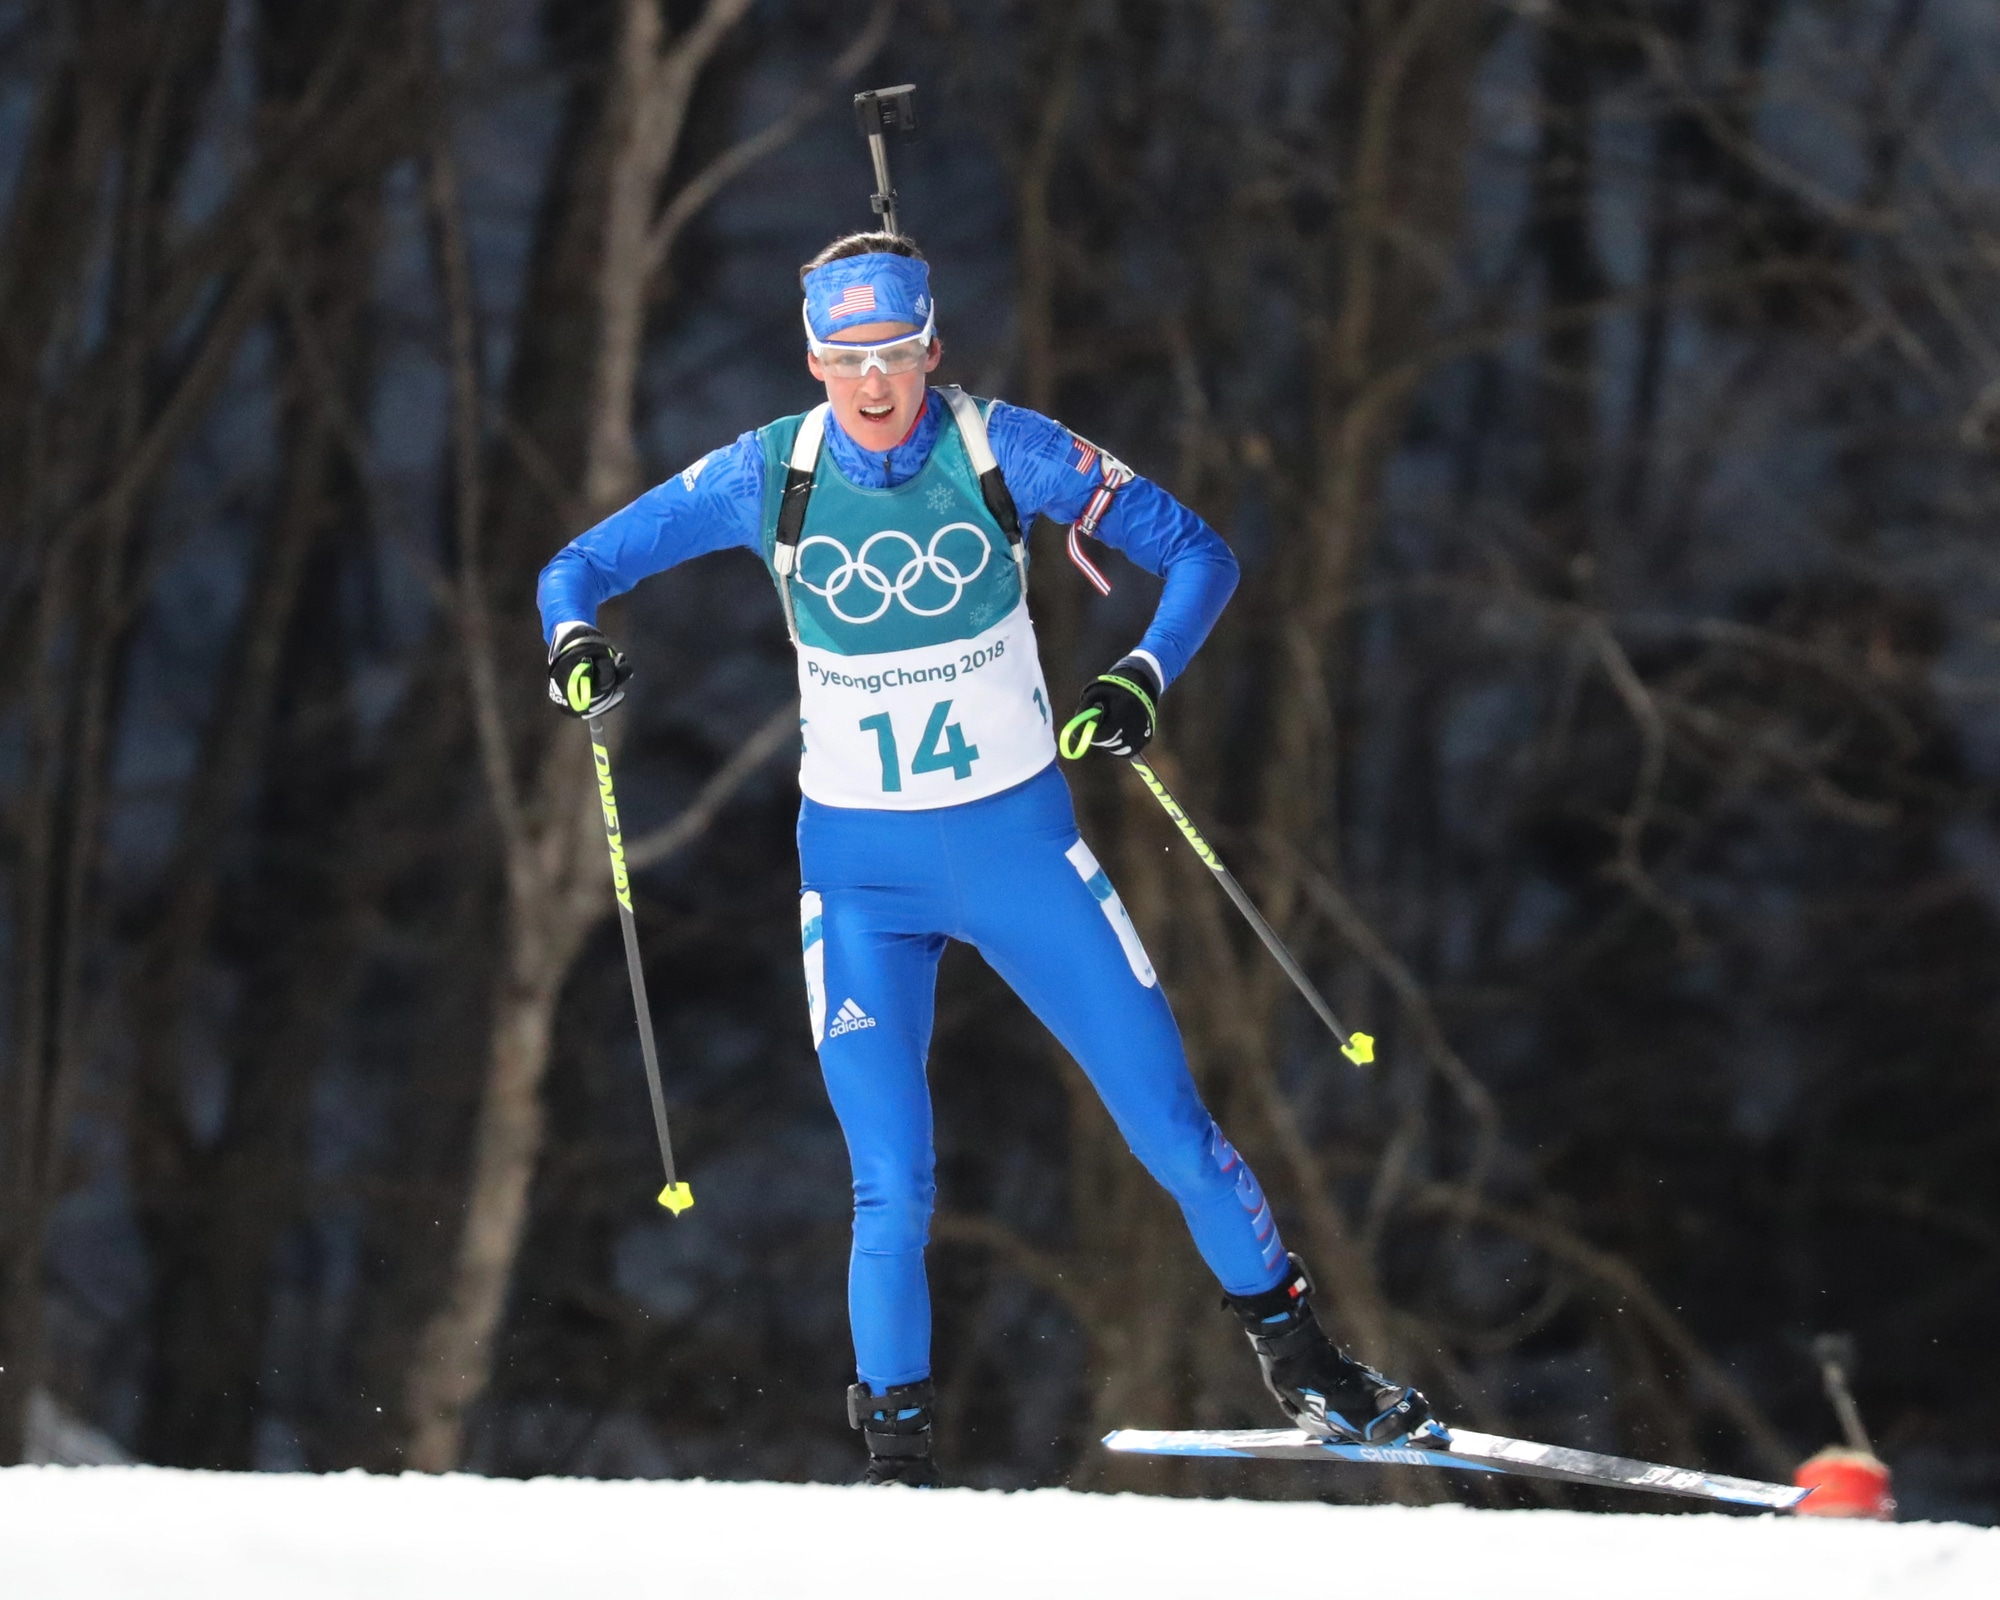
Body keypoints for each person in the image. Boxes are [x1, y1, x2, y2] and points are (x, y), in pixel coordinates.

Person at [537, 233, 1429, 1485]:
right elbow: (575, 566)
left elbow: (1199, 553)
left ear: (930, 350)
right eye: (845, 360)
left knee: (1173, 1134)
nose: (872, 385)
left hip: (1018, 852)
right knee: (889, 1186)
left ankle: (1314, 1371)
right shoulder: (767, 476)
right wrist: (573, 643)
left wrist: (1137, 677)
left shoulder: (1002, 446)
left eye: (893, 354)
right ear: (811, 361)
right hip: (859, 884)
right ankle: (898, 1473)